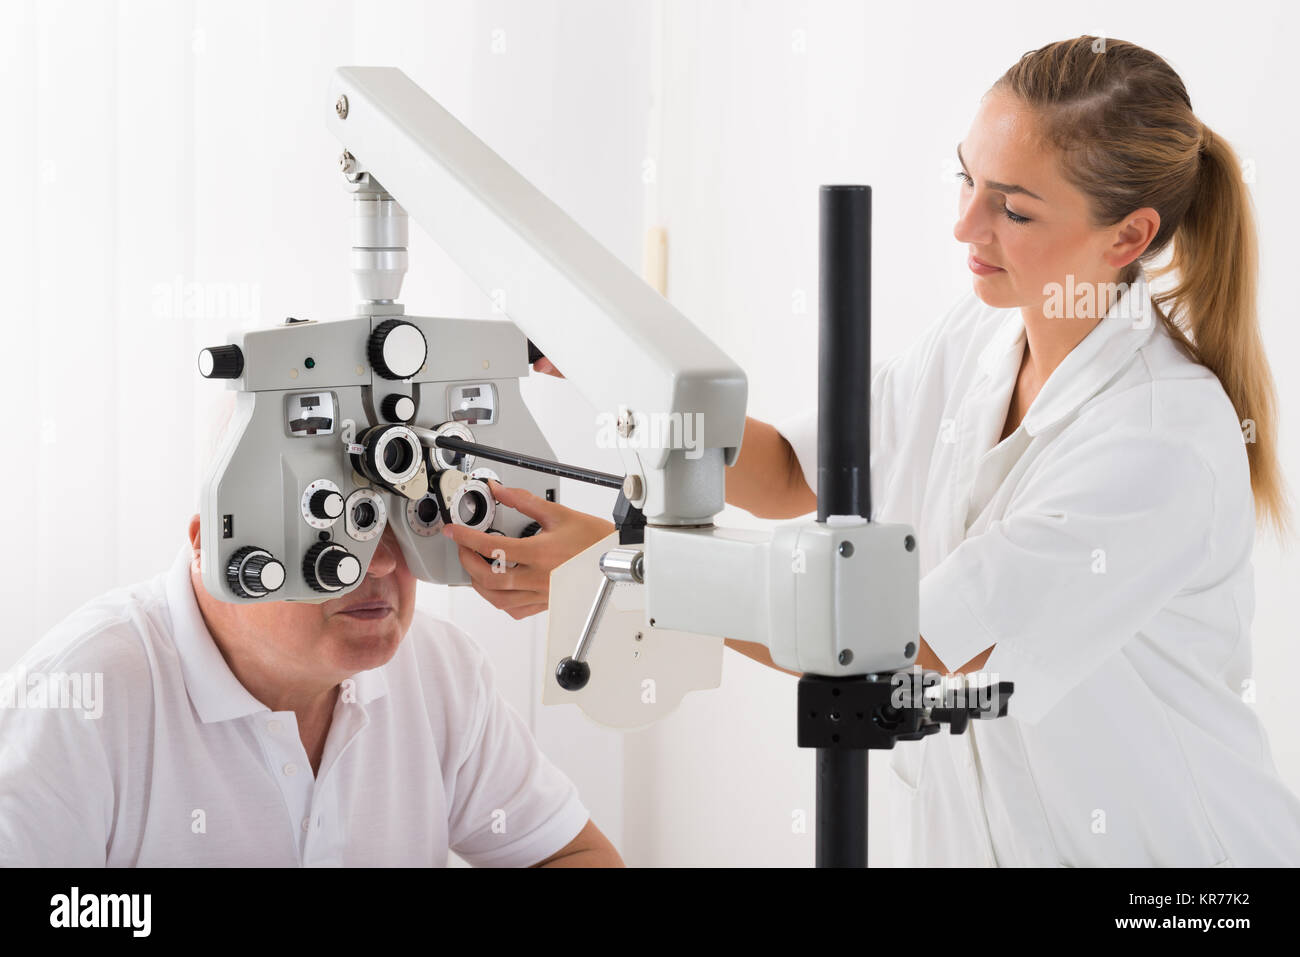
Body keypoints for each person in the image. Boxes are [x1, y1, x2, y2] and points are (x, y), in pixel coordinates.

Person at [441, 36, 1300, 866]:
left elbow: (904, 643)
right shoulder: (978, 341)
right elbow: (790, 476)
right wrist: (618, 366)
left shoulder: (1157, 441)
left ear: (1127, 236)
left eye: (1014, 206)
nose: (966, 222)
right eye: (967, 177)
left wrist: (623, 568)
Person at [0, 508, 622, 867]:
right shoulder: (83, 694)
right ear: (209, 546)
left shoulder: (437, 668)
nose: (379, 565)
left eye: (402, 523)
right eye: (331, 529)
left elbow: (570, 856)